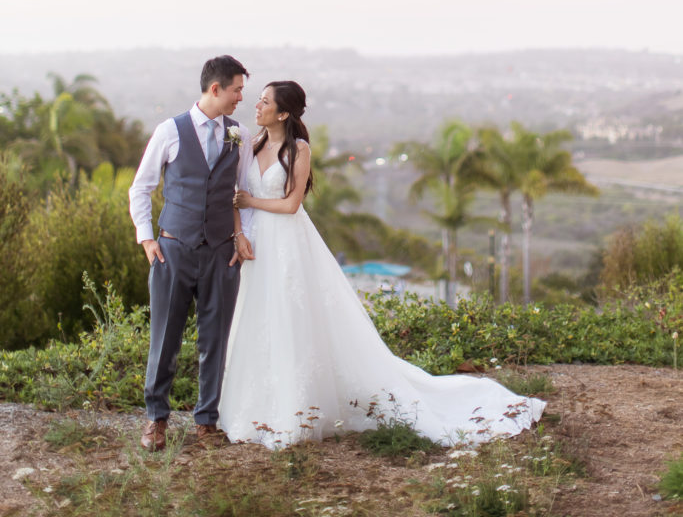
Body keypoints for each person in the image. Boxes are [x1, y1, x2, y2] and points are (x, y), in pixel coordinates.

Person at [218, 81, 545, 449]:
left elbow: (292, 204)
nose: (256, 105)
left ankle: (294, 410)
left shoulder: (299, 150)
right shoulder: (251, 144)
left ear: (282, 113)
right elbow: (234, 195)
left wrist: (251, 202)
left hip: (287, 242)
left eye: (264, 101)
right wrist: (238, 232)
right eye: (258, 99)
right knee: (258, 316)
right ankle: (255, 404)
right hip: (257, 242)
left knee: (290, 317)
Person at [129, 54, 255, 451]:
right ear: (215, 89)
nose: (241, 98)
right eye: (236, 90)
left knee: (215, 340)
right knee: (164, 338)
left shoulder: (240, 135)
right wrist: (147, 239)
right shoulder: (170, 131)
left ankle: (206, 422)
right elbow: (141, 188)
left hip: (221, 254)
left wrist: (241, 238)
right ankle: (156, 420)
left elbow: (244, 194)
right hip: (173, 251)